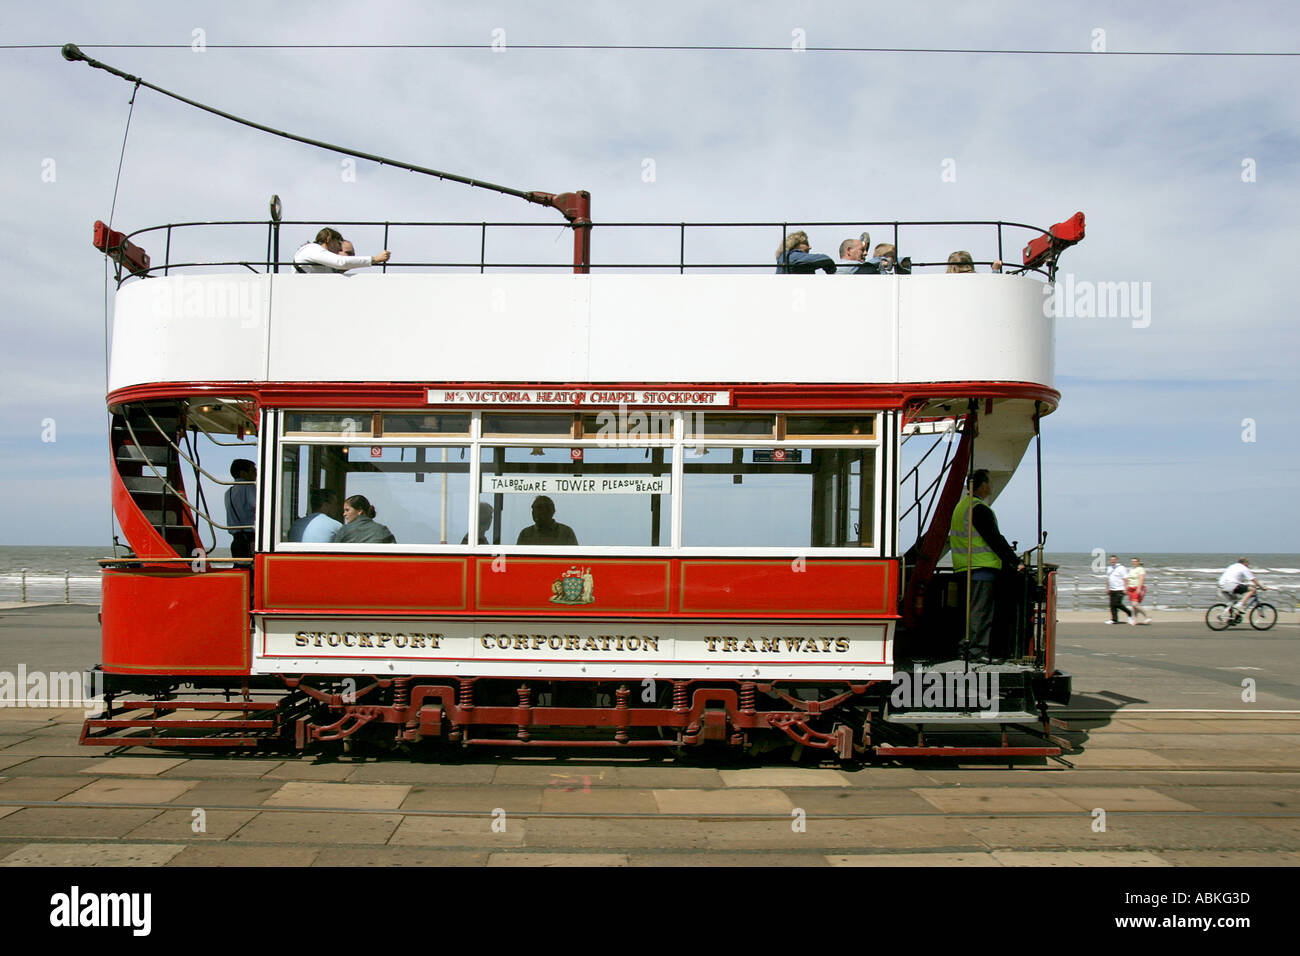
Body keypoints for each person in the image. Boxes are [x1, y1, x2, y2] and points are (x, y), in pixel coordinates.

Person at [948, 469, 1025, 663]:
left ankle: (965, 648)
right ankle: (976, 651)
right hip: (980, 568)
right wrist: (1015, 562)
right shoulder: (979, 508)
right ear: (981, 485)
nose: (992, 487)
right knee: (980, 612)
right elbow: (994, 539)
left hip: (964, 567)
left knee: (969, 612)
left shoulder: (961, 507)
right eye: (990, 483)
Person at [293, 227, 391, 273]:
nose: (339, 248)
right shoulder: (311, 249)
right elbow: (341, 262)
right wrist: (375, 259)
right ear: (329, 239)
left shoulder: (322, 260)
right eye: (338, 244)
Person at [225, 459, 257, 558]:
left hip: (237, 540)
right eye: (253, 471)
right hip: (249, 538)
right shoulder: (249, 487)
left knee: (240, 568)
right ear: (243, 473)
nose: (256, 474)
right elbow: (257, 506)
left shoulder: (228, 492)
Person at [1106, 554, 1132, 624]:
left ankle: (1129, 612)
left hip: (1120, 589)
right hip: (1112, 589)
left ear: (1116, 560)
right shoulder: (1109, 568)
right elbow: (1108, 579)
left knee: (1117, 603)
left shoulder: (1121, 568)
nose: (1112, 561)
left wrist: (1126, 588)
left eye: (1114, 560)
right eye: (1111, 560)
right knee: (1112, 605)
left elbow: (1126, 579)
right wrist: (1107, 588)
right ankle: (1114, 619)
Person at [1126, 557, 1151, 625]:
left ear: (1138, 562)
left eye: (1135, 561)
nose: (1134, 562)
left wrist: (1139, 588)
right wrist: (1127, 587)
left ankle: (1147, 616)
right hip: (1130, 588)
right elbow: (1129, 579)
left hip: (1137, 588)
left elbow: (1141, 579)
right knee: (1133, 605)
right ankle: (1135, 620)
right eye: (1133, 561)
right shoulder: (1131, 570)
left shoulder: (1140, 569)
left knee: (1135, 604)